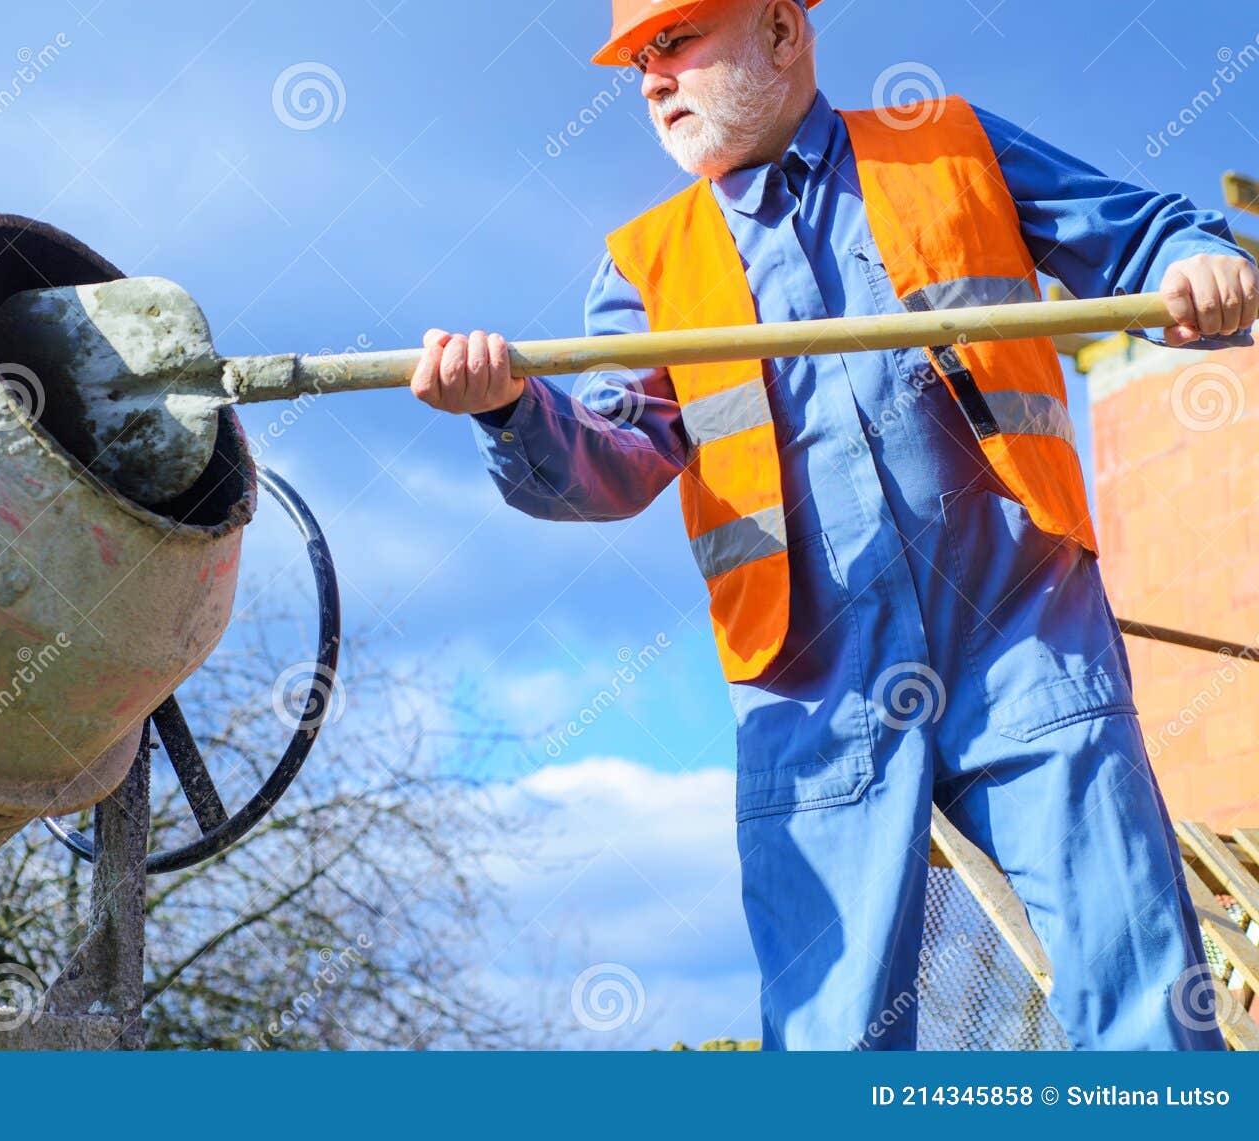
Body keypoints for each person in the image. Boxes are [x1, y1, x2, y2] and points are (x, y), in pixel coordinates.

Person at [412, 0, 1258, 1049]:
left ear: (778, 30)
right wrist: (509, 409)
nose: (650, 81)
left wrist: (1195, 260)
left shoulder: (948, 147)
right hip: (812, 688)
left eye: (673, 43)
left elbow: (1138, 236)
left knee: (1142, 997)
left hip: (1025, 636)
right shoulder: (646, 264)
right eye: (636, 62)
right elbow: (611, 465)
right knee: (831, 1047)